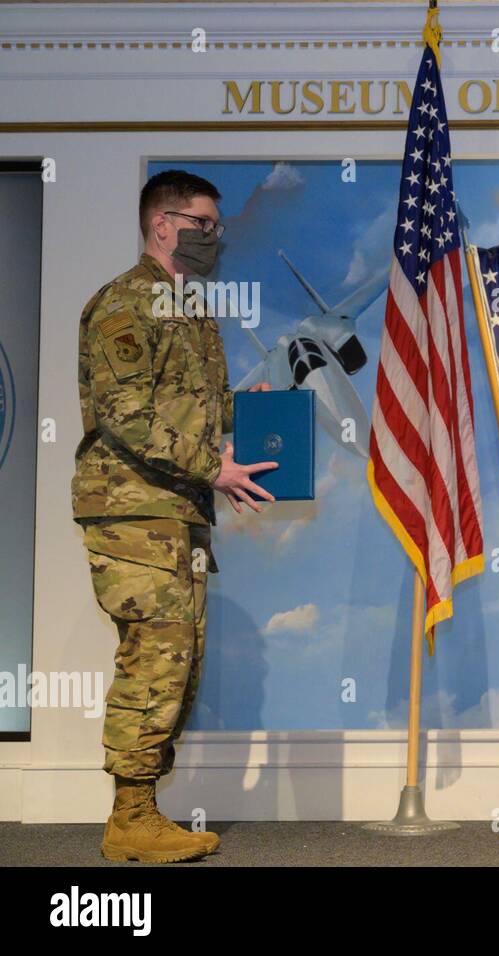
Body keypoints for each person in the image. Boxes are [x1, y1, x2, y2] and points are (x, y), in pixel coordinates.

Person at [73, 169, 277, 862]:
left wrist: (255, 419)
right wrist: (212, 465)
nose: (214, 237)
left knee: (177, 663)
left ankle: (141, 812)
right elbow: (125, 415)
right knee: (154, 660)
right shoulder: (127, 304)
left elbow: (195, 417)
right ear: (162, 224)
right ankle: (130, 819)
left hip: (175, 511)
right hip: (132, 512)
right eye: (203, 224)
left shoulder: (190, 310)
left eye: (217, 227)